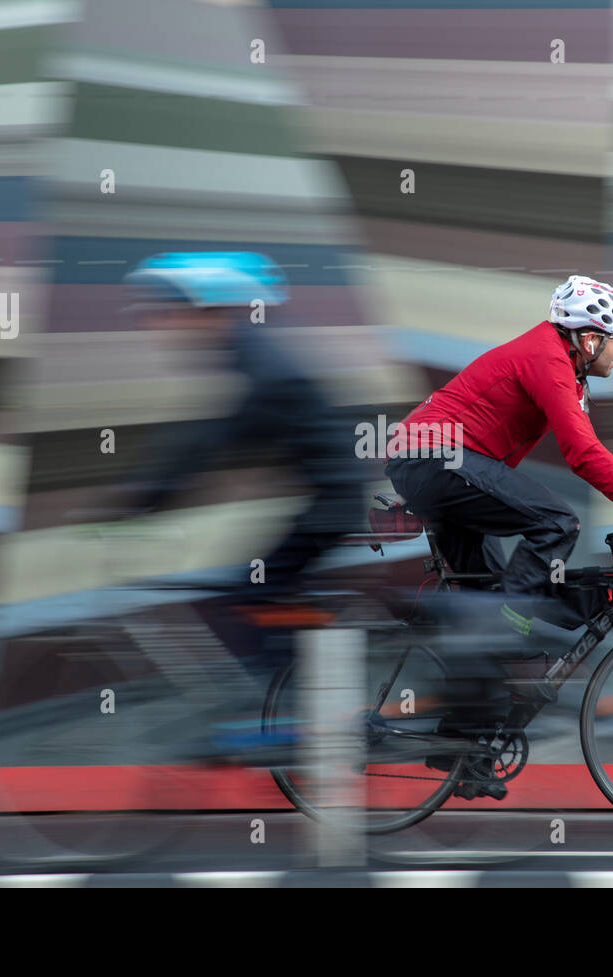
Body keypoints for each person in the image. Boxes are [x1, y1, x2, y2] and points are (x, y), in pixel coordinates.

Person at [114, 251, 368, 760]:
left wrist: (142, 503)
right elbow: (217, 442)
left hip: (333, 502)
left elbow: (213, 441)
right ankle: (300, 685)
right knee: (263, 588)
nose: (160, 323)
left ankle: (287, 719)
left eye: (169, 310)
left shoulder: (260, 363)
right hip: (326, 496)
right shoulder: (248, 351)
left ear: (206, 308)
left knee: (253, 589)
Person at [385, 274, 613, 638]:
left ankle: (480, 667)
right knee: (558, 524)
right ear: (590, 340)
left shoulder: (564, 369)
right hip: (433, 457)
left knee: (486, 588)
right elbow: (582, 454)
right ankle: (506, 628)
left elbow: (587, 447)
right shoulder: (548, 359)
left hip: (433, 462)